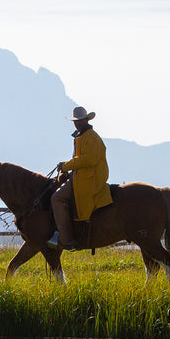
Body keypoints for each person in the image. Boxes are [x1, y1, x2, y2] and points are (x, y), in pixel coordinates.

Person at [49, 106, 112, 250]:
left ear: (86, 120)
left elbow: (88, 160)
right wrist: (67, 171)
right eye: (76, 121)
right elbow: (80, 161)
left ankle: (66, 239)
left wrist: (65, 166)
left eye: (80, 121)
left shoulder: (91, 137)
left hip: (89, 180)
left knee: (57, 198)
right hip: (82, 177)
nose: (77, 123)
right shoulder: (81, 137)